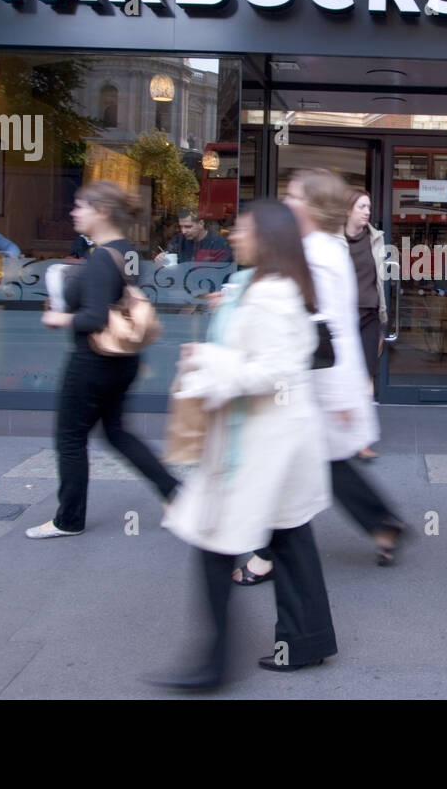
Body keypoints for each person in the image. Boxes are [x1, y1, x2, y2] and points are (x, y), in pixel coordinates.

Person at [148, 200, 337, 689]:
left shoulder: (272, 293)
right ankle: (303, 641)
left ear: (268, 237)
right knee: (289, 537)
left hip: (259, 441)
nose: (234, 235)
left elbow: (274, 371)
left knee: (214, 541)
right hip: (270, 438)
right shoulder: (267, 285)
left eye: (244, 228)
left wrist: (211, 362)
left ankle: (213, 665)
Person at [232, 169, 403, 586]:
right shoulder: (320, 247)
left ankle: (267, 556)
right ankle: (381, 523)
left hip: (317, 381)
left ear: (311, 206)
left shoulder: (320, 254)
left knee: (290, 468)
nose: (286, 202)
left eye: (293, 196)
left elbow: (319, 326)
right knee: (323, 466)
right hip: (321, 379)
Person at [26, 181, 179, 538]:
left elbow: (94, 318)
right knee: (117, 432)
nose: (72, 212)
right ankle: (175, 492)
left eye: (80, 206)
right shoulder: (126, 253)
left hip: (92, 361)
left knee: (70, 439)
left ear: (102, 212)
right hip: (121, 360)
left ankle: (69, 519)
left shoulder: (99, 259)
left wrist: (57, 317)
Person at [344, 189, 387, 461]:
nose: (367, 211)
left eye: (369, 207)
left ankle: (362, 440)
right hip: (341, 317)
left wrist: (383, 320)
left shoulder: (376, 238)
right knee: (339, 375)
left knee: (366, 378)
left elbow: (381, 282)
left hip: (369, 315)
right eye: (361, 206)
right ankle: (337, 436)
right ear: (348, 209)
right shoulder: (334, 241)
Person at [154, 207, 231, 264]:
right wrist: (160, 258)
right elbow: (168, 256)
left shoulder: (219, 243)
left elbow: (221, 273)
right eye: (181, 226)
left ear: (201, 224)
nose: (183, 231)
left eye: (188, 227)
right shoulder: (178, 239)